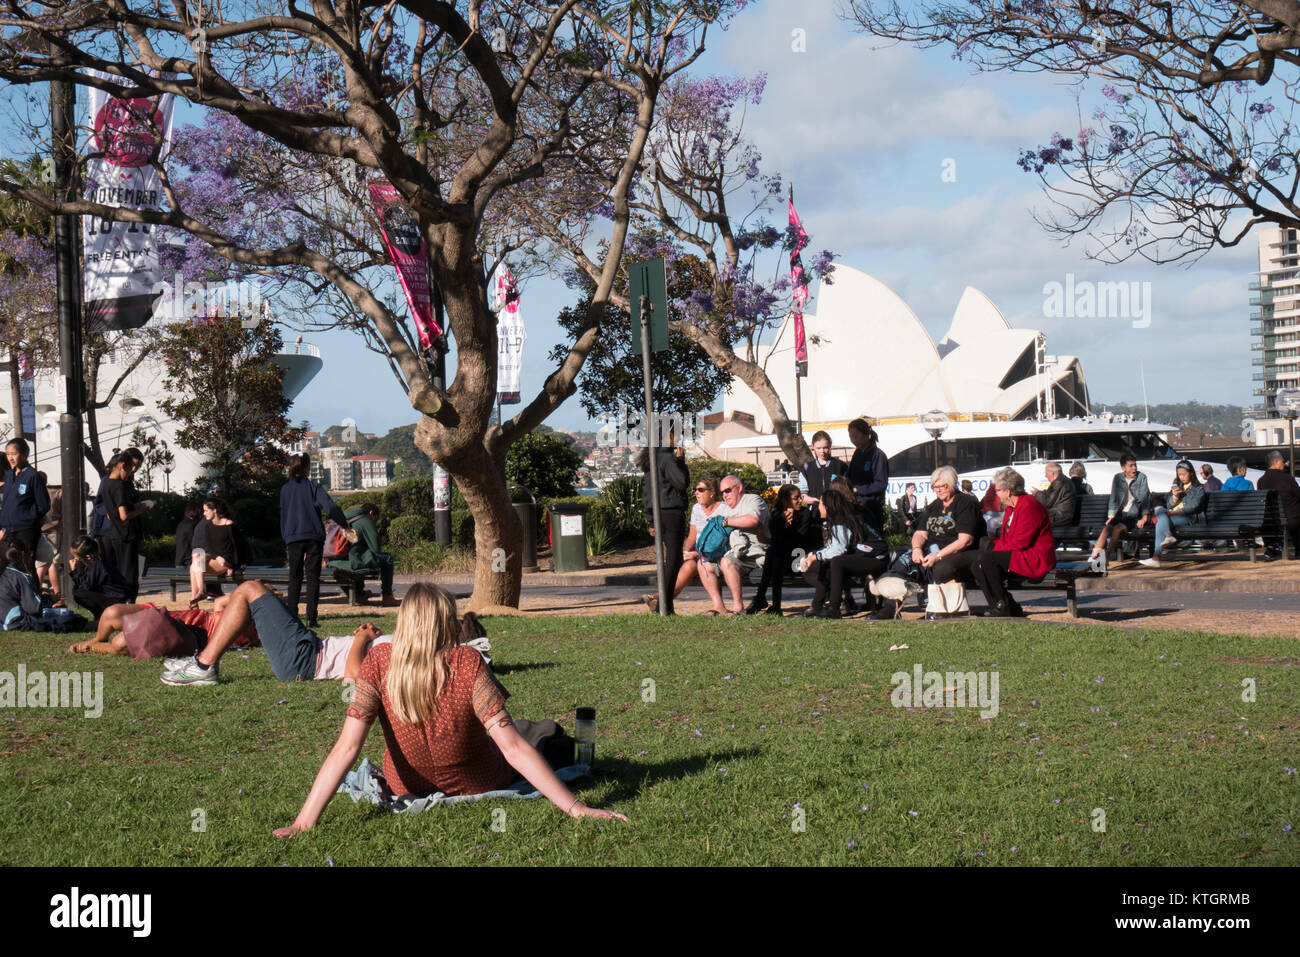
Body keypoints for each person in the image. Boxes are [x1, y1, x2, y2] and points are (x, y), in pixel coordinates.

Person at [273, 582, 627, 836]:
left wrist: (303, 822)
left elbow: (346, 748)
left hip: (404, 785)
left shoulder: (379, 661)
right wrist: (576, 808)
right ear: (445, 622)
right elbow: (511, 748)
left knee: (524, 732)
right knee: (531, 733)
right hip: (480, 781)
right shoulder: (466, 661)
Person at [163, 579, 383, 685]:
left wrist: (361, 639)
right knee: (260, 590)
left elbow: (354, 676)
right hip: (309, 650)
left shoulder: (409, 658)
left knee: (250, 589)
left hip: (305, 660)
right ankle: (204, 661)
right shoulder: (409, 650)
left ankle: (203, 666)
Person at [953, 468, 1055, 618]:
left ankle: (1003, 605)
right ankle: (1000, 605)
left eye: (998, 490)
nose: (996, 494)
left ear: (1008, 491)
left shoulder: (1029, 505)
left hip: (1034, 557)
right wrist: (991, 548)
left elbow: (1021, 542)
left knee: (986, 558)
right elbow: (1008, 540)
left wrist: (992, 549)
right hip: (1019, 553)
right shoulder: (1011, 507)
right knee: (977, 563)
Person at [281, 453, 351, 628]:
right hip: (313, 535)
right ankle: (312, 617)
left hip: (293, 536)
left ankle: (292, 615)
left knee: (294, 577)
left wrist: (285, 535)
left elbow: (282, 514)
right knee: (313, 577)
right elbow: (330, 507)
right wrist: (344, 524)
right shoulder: (313, 487)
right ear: (307, 468)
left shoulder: (285, 489)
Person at [68, 593, 257, 657]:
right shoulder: (248, 608)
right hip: (185, 616)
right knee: (111, 613)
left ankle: (99, 647)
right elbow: (221, 602)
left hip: (186, 634)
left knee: (120, 644)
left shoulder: (259, 636)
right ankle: (98, 638)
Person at [799, 488, 888, 618]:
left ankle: (834, 609)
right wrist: (814, 555)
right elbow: (833, 547)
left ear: (828, 506)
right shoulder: (839, 517)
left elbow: (838, 550)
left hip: (877, 559)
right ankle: (817, 606)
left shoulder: (840, 520)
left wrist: (815, 556)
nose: (819, 508)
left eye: (821, 504)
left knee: (836, 561)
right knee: (825, 562)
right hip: (866, 556)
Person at [644, 474, 724, 613]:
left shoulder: (723, 509)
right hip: (698, 553)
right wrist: (685, 552)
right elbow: (692, 536)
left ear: (712, 493)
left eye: (701, 490)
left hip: (716, 552)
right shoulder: (696, 509)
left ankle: (660, 599)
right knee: (689, 564)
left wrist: (696, 553)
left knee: (692, 564)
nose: (696, 493)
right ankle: (662, 601)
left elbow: (721, 540)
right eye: (695, 489)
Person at [697, 475, 769, 616]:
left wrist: (727, 522)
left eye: (728, 490)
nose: (725, 495)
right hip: (731, 552)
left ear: (739, 488)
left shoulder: (752, 500)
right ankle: (718, 606)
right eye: (722, 492)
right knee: (702, 565)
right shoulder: (725, 509)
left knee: (727, 562)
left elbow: (753, 520)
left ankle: (738, 607)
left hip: (753, 552)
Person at [747, 483, 817, 616]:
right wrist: (782, 522)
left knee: (774, 554)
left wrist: (789, 526)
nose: (800, 501)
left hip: (798, 554)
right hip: (782, 555)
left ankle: (764, 600)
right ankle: (769, 603)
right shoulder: (777, 515)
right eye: (796, 498)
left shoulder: (804, 514)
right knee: (774, 554)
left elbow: (800, 539)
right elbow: (775, 539)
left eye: (800, 498)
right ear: (786, 501)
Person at [640, 432, 690, 616]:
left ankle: (664, 603)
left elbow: (647, 492)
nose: (676, 438)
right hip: (671, 511)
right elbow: (682, 482)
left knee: (672, 559)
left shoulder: (651, 458)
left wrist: (651, 519)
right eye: (673, 435)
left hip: (658, 513)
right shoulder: (668, 458)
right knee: (675, 560)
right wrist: (681, 461)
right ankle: (664, 603)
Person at [101, 452, 153, 603]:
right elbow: (124, 515)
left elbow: (114, 512)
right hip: (127, 533)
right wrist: (141, 510)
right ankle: (128, 602)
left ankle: (120, 601)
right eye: (130, 469)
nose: (131, 473)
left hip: (114, 533)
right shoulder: (119, 485)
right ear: (122, 466)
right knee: (129, 572)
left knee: (119, 569)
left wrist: (135, 506)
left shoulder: (106, 483)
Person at [1140, 460, 1206, 568]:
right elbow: (1168, 505)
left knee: (1160, 518)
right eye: (1179, 474)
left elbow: (1193, 506)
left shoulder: (1198, 489)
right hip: (1172, 515)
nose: (1181, 477)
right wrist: (1174, 496)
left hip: (1189, 517)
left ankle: (1156, 557)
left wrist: (1175, 512)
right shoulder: (1178, 487)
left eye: (1184, 474)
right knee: (1160, 512)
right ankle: (1168, 537)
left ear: (1191, 473)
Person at [328, 503, 397, 606]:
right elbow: (376, 548)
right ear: (371, 513)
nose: (375, 521)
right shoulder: (366, 519)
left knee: (358, 554)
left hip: (335, 561)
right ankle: (387, 596)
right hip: (353, 561)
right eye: (375, 518)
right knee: (387, 558)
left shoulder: (342, 517)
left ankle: (359, 595)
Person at [1088, 454, 1151, 564]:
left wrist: (1144, 517)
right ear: (1123, 468)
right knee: (1106, 529)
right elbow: (1113, 497)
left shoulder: (1142, 478)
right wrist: (1111, 515)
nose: (1134, 468)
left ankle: (1106, 557)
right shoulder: (1118, 478)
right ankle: (1094, 555)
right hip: (1120, 513)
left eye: (1135, 465)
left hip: (1133, 515)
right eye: (1131, 466)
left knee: (1117, 529)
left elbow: (1145, 499)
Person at [188, 498, 242, 607]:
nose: (203, 514)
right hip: (218, 560)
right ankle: (198, 595)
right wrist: (216, 556)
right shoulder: (208, 527)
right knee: (195, 560)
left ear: (215, 510)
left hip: (229, 561)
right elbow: (211, 549)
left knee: (196, 561)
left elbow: (238, 547)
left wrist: (233, 565)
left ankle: (199, 595)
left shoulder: (229, 525)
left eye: (206, 510)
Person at [0, 438, 50, 555]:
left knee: (23, 565)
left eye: (14, 454)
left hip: (25, 530)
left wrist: (27, 517)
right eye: (8, 454)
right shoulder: (8, 476)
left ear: (25, 453)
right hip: (8, 529)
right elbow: (7, 503)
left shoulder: (33, 476)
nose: (10, 458)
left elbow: (43, 505)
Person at [67, 535, 128, 621]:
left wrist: (74, 572)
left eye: (77, 557)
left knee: (78, 593)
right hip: (115, 596)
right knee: (78, 590)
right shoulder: (97, 562)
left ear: (87, 556)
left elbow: (86, 586)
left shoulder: (97, 565)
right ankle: (100, 614)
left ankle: (101, 613)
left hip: (116, 599)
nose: (75, 559)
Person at [846, 418, 889, 534]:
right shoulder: (857, 454)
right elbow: (849, 476)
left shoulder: (878, 455)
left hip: (871, 508)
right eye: (850, 437)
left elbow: (881, 484)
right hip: (855, 506)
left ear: (866, 435)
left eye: (855, 436)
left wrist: (858, 489)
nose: (853, 440)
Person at [1257, 450, 1300, 559]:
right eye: (1282, 461)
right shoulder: (1287, 479)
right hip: (1291, 517)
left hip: (1270, 519)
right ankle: (1298, 550)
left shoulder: (1261, 481)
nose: (1283, 463)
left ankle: (1272, 547)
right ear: (1276, 462)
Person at [800, 430, 849, 515]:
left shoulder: (840, 466)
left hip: (837, 512)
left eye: (825, 447)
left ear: (830, 446)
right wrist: (811, 500)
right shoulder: (807, 468)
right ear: (813, 447)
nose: (822, 451)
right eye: (818, 448)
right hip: (815, 514)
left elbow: (848, 489)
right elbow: (802, 493)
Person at [1034, 461, 1077, 526]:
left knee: (1030, 518)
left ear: (1052, 473)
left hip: (1059, 517)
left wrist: (1037, 493)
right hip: (1062, 515)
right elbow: (1052, 496)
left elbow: (1048, 502)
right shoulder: (1063, 481)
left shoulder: (1059, 482)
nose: (1045, 476)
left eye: (1046, 473)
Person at [173, 501, 201, 568]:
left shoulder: (181, 524)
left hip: (179, 559)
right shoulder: (193, 525)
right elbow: (194, 543)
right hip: (189, 561)